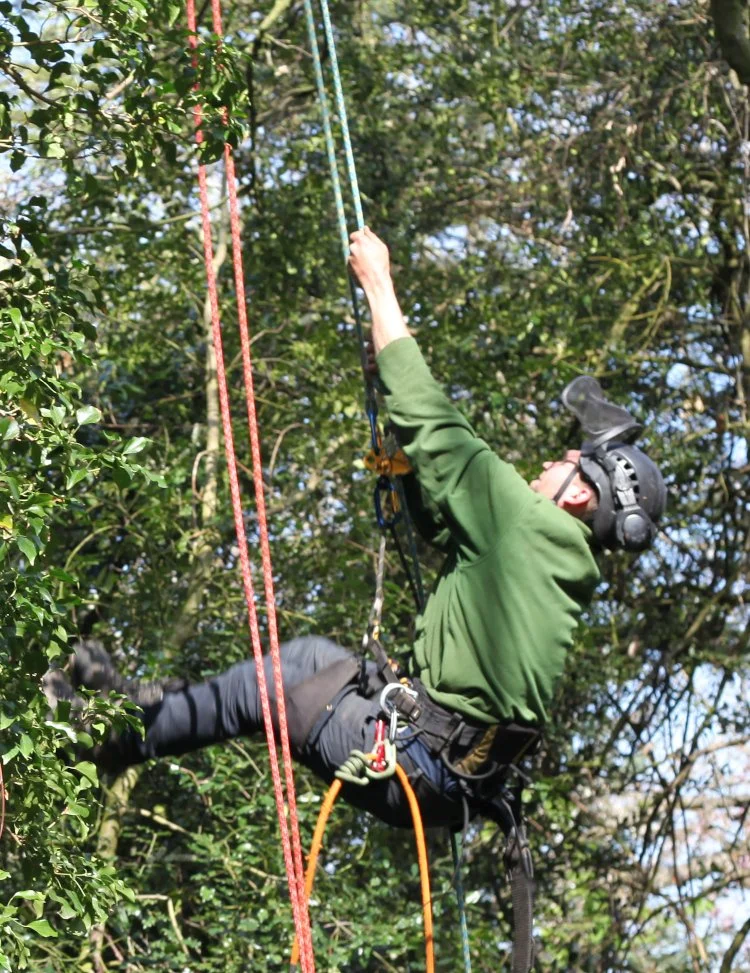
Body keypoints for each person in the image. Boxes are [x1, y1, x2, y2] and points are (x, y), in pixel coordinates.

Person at [45, 227, 667, 832]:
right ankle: (130, 713)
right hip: (443, 775)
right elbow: (450, 533)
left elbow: (435, 419)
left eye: (567, 463)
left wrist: (380, 287)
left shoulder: (530, 525)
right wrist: (403, 466)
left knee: (268, 687)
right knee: (310, 659)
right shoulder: (553, 562)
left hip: (417, 762)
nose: (551, 462)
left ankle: (114, 739)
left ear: (581, 493)